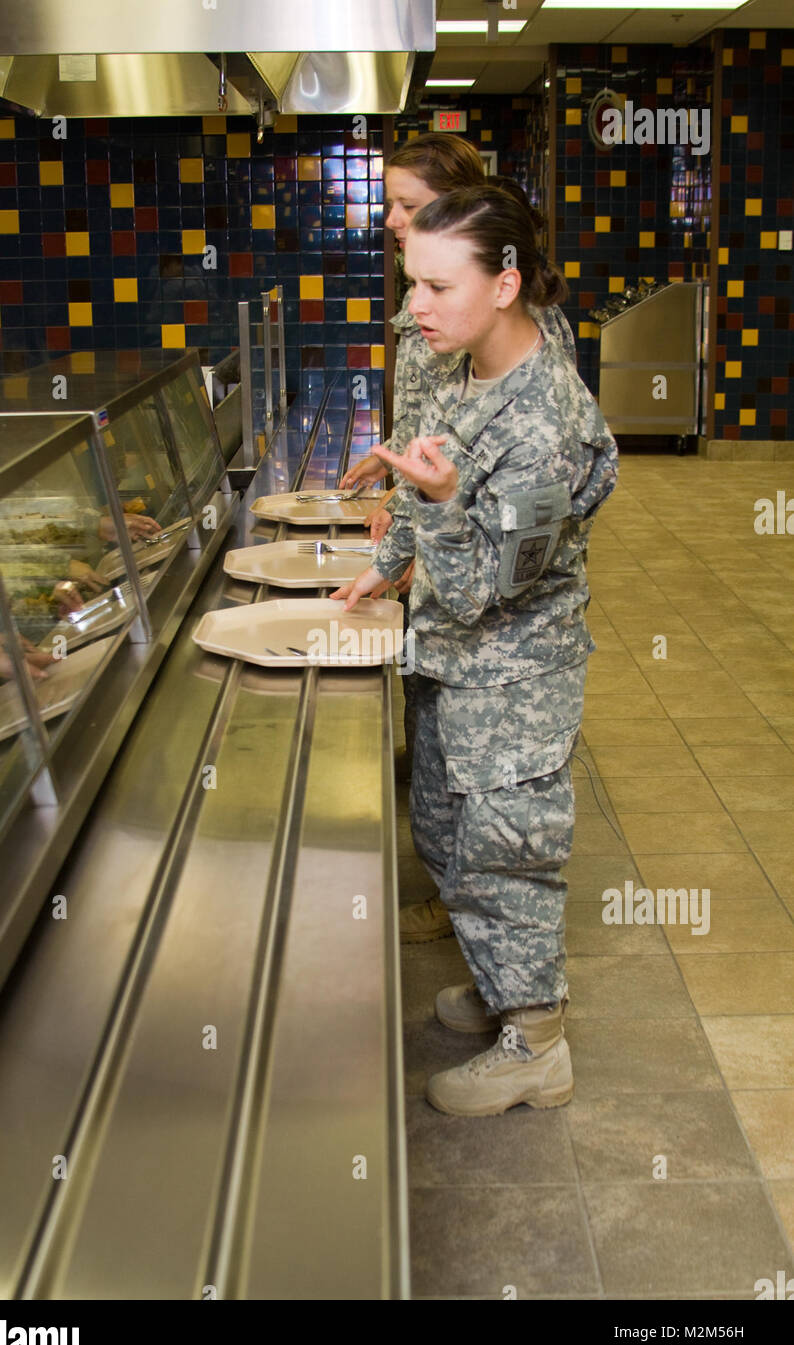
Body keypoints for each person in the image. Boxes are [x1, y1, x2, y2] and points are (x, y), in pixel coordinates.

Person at [331, 186, 618, 1116]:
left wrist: (449, 507)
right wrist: (388, 561)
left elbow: (498, 578)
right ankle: (506, 992)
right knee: (457, 841)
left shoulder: (548, 422)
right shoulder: (470, 373)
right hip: (461, 665)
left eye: (437, 287)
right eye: (412, 282)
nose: (416, 306)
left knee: (510, 856)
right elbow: (427, 485)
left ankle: (538, 1042)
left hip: (514, 679)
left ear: (506, 284)